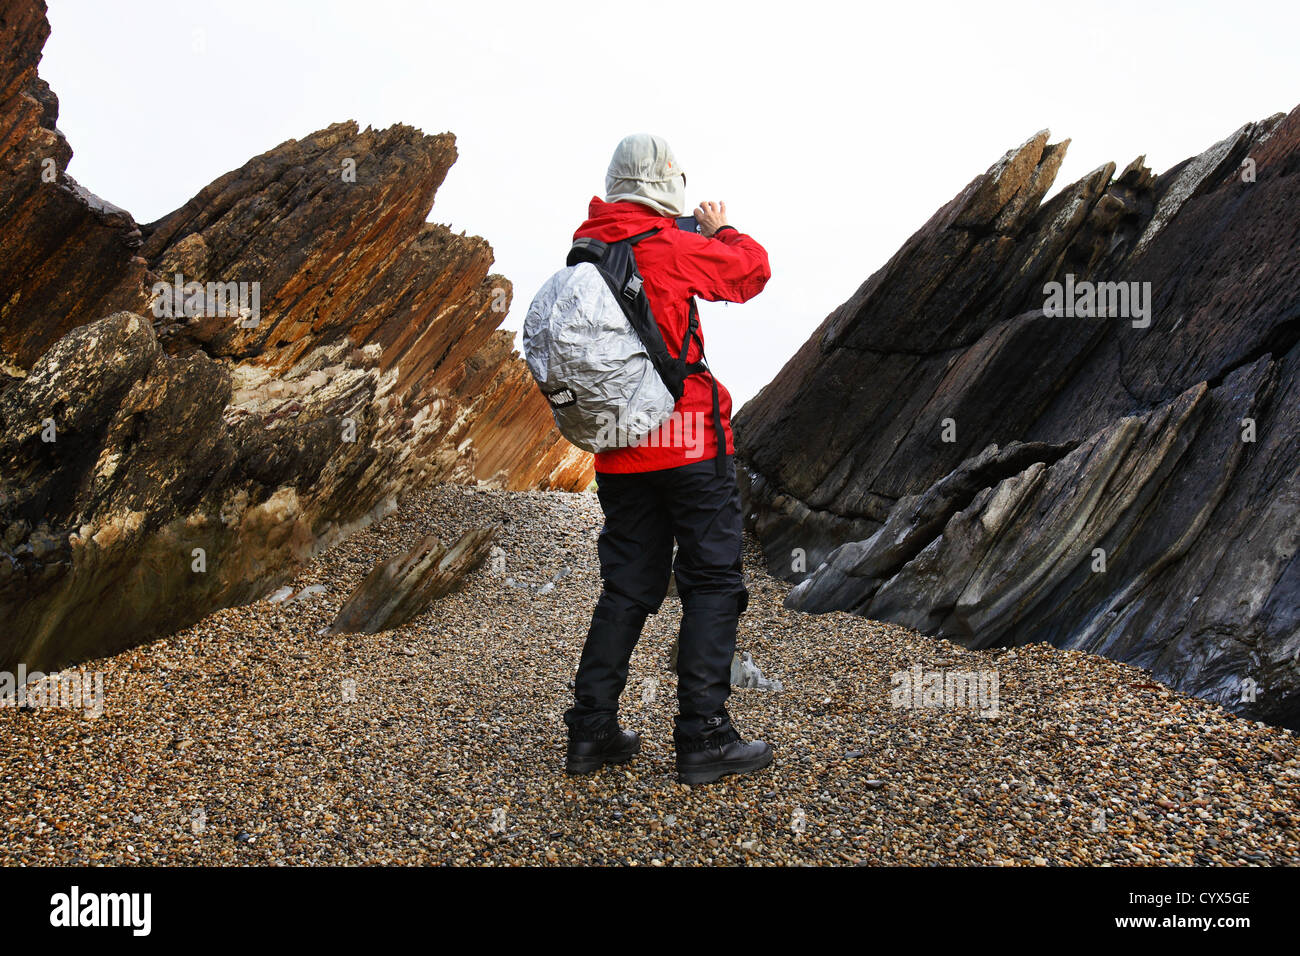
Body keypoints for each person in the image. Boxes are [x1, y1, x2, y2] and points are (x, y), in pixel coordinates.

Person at [563, 133, 773, 785]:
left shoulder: (584, 256)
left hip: (619, 451)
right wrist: (723, 227)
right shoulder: (671, 245)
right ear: (666, 187)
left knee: (627, 584)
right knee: (711, 581)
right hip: (688, 443)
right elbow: (752, 271)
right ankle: (704, 738)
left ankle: (592, 732)